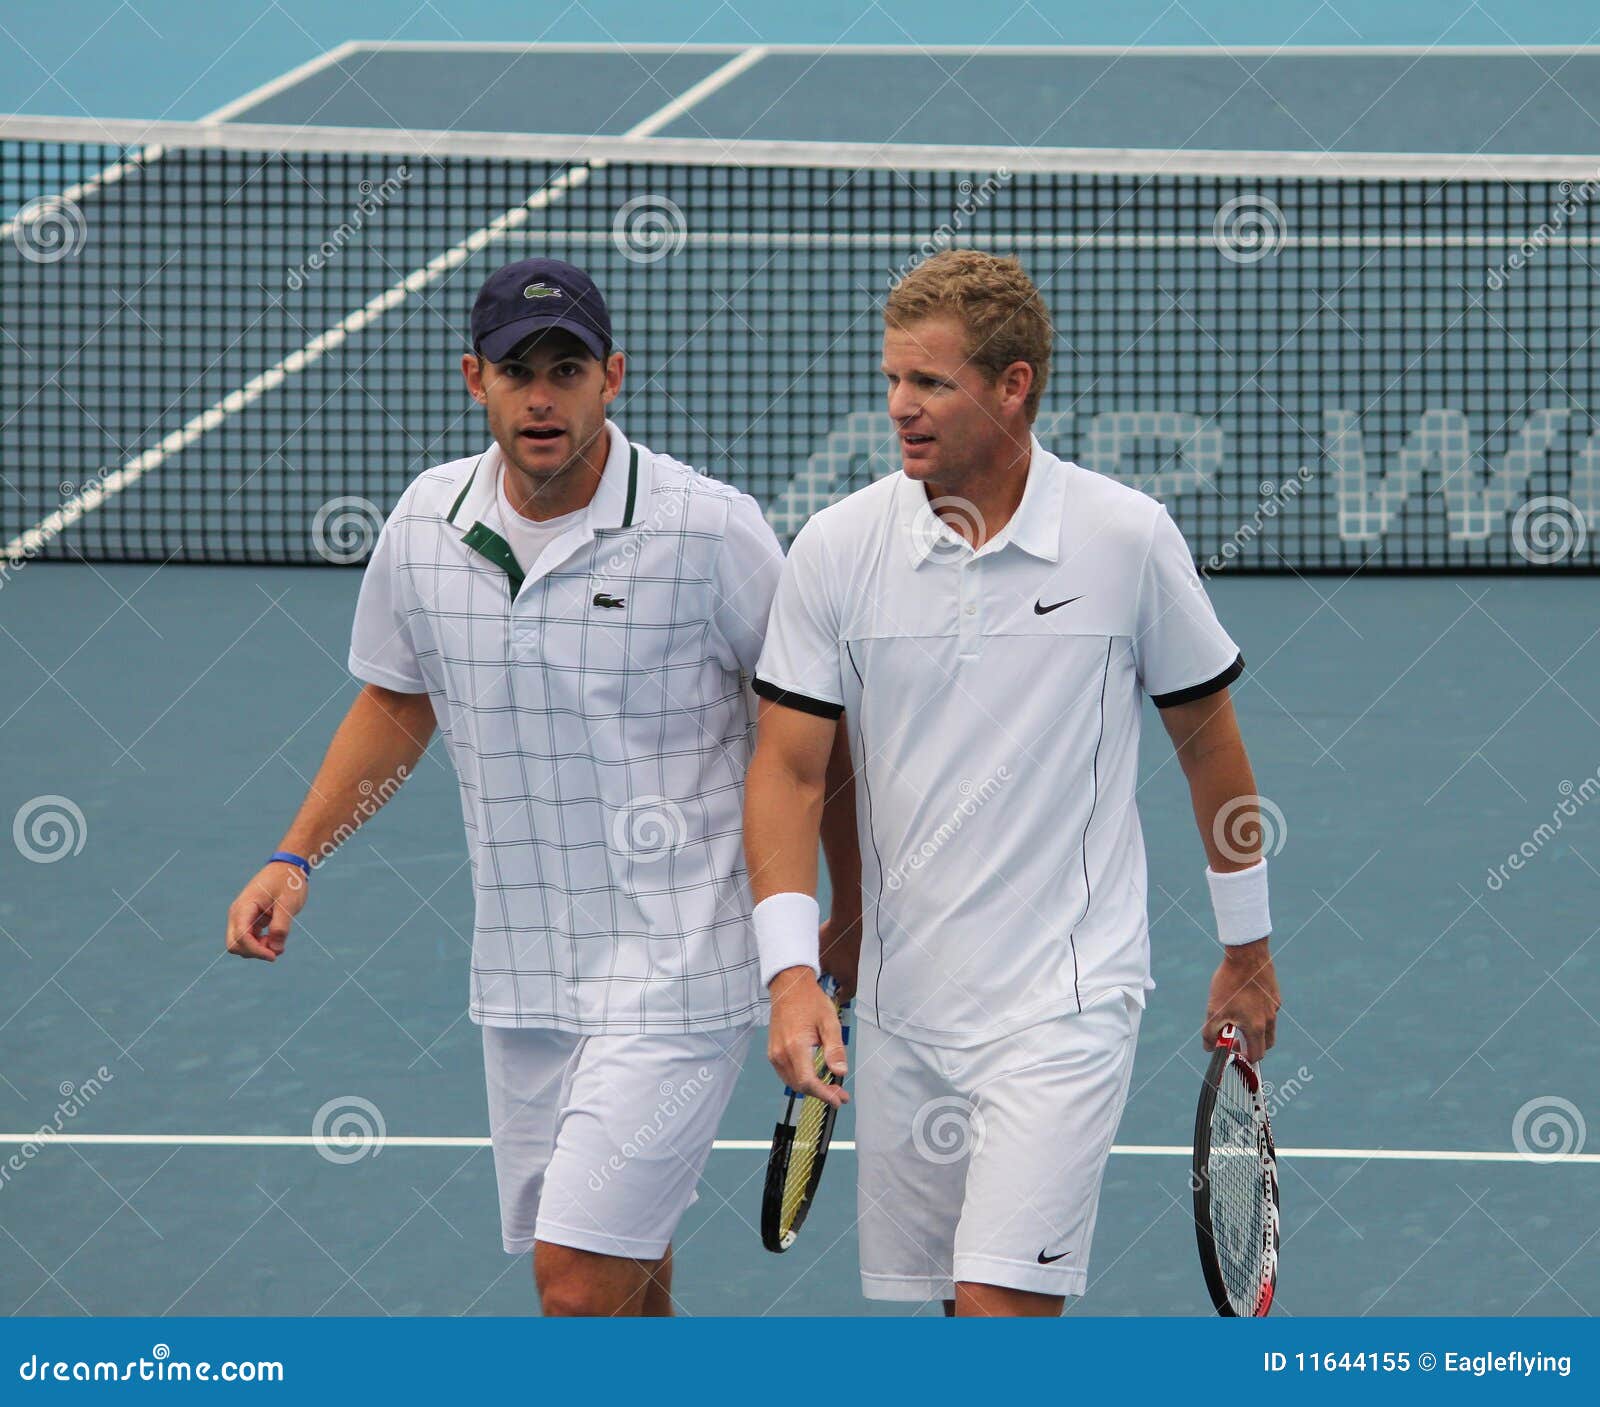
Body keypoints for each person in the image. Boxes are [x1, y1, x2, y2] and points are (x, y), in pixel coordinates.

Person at [225, 256, 853, 1315]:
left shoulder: (707, 530)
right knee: (628, 1279)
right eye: (518, 372)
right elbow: (397, 702)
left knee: (571, 1285)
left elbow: (807, 735)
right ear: (475, 379)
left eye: (566, 369)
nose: (542, 395)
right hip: (523, 975)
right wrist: (296, 855)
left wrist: (832, 926)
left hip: (682, 966)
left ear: (615, 375)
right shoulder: (426, 525)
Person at [743, 249, 1282, 1317]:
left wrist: (1248, 948)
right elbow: (789, 767)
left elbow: (1209, 748)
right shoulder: (837, 549)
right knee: (946, 1316)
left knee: (1000, 1318)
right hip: (900, 1009)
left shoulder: (1122, 538)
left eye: (930, 383)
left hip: (1064, 1000)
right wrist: (791, 971)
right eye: (892, 378)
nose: (900, 406)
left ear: (1012, 385)